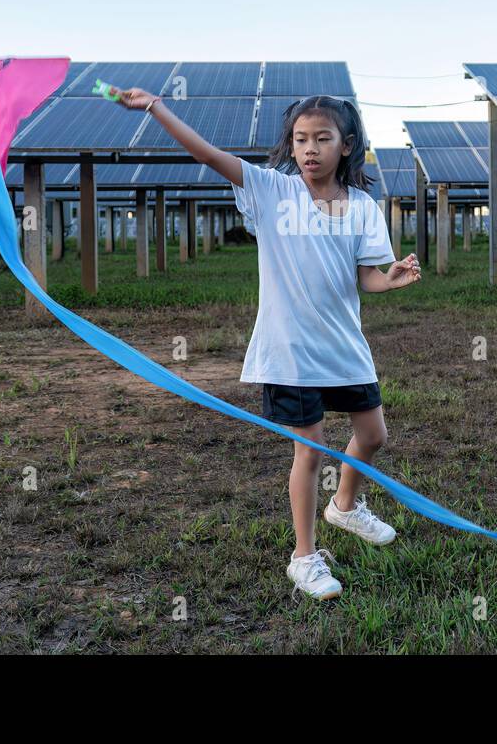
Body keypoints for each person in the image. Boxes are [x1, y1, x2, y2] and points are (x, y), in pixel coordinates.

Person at [111, 87, 421, 600]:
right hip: (289, 350)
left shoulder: (363, 207)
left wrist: (391, 279)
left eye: (323, 138)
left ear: (347, 146)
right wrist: (156, 108)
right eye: (300, 139)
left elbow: (366, 276)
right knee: (311, 449)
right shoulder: (273, 191)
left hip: (343, 347)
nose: (309, 149)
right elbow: (208, 154)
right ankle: (305, 557)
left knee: (373, 434)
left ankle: (344, 506)